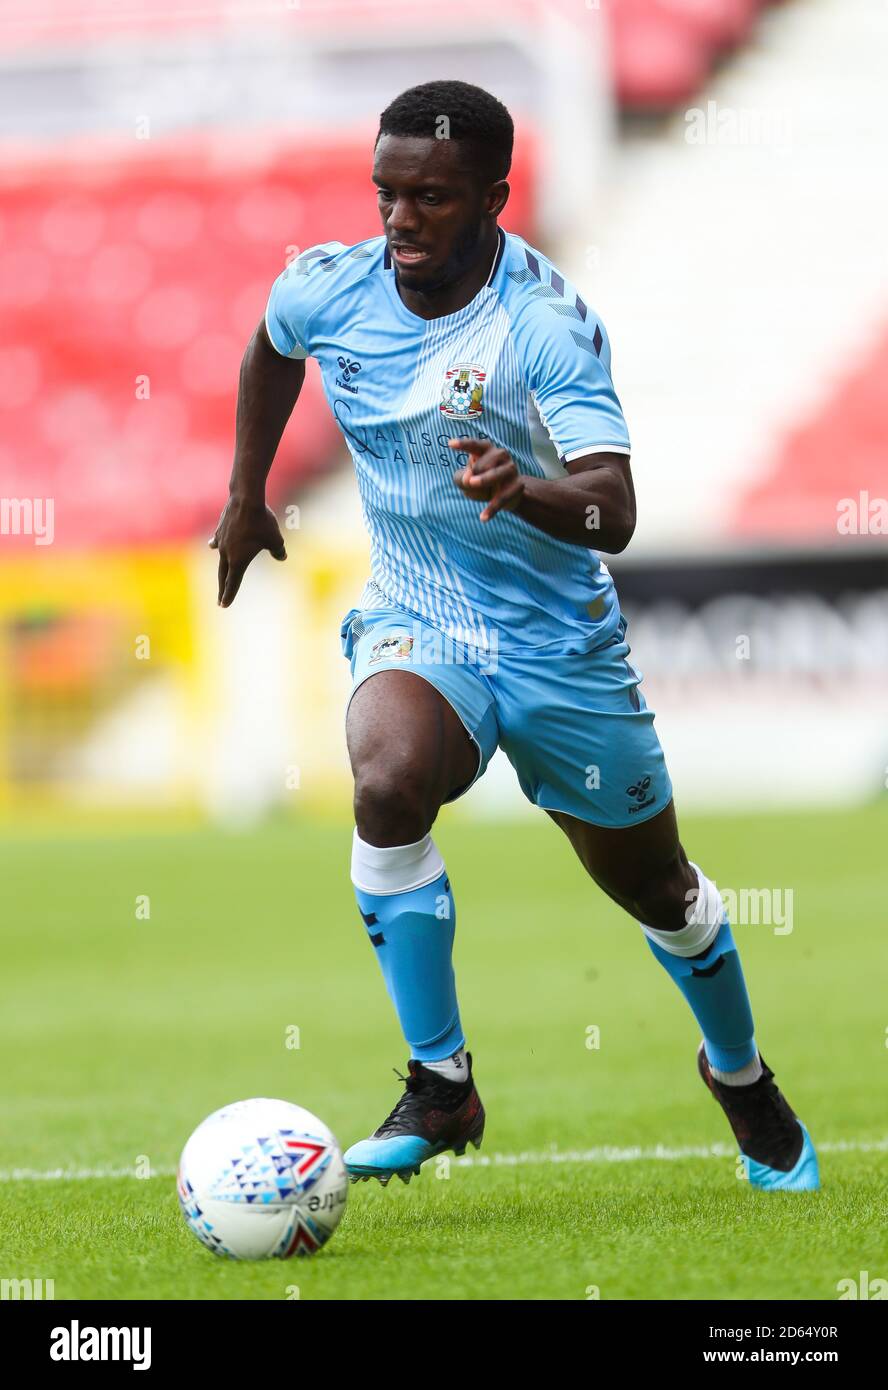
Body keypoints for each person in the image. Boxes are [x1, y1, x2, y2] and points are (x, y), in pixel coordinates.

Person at [211, 80, 819, 1193]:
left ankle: (740, 1075)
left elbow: (614, 510)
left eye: (431, 198)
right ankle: (442, 1084)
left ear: (494, 197)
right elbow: (269, 346)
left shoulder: (543, 323)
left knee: (661, 894)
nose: (400, 220)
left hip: (558, 649)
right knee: (386, 782)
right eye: (387, 194)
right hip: (418, 620)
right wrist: (248, 492)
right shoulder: (332, 287)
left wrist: (526, 488)